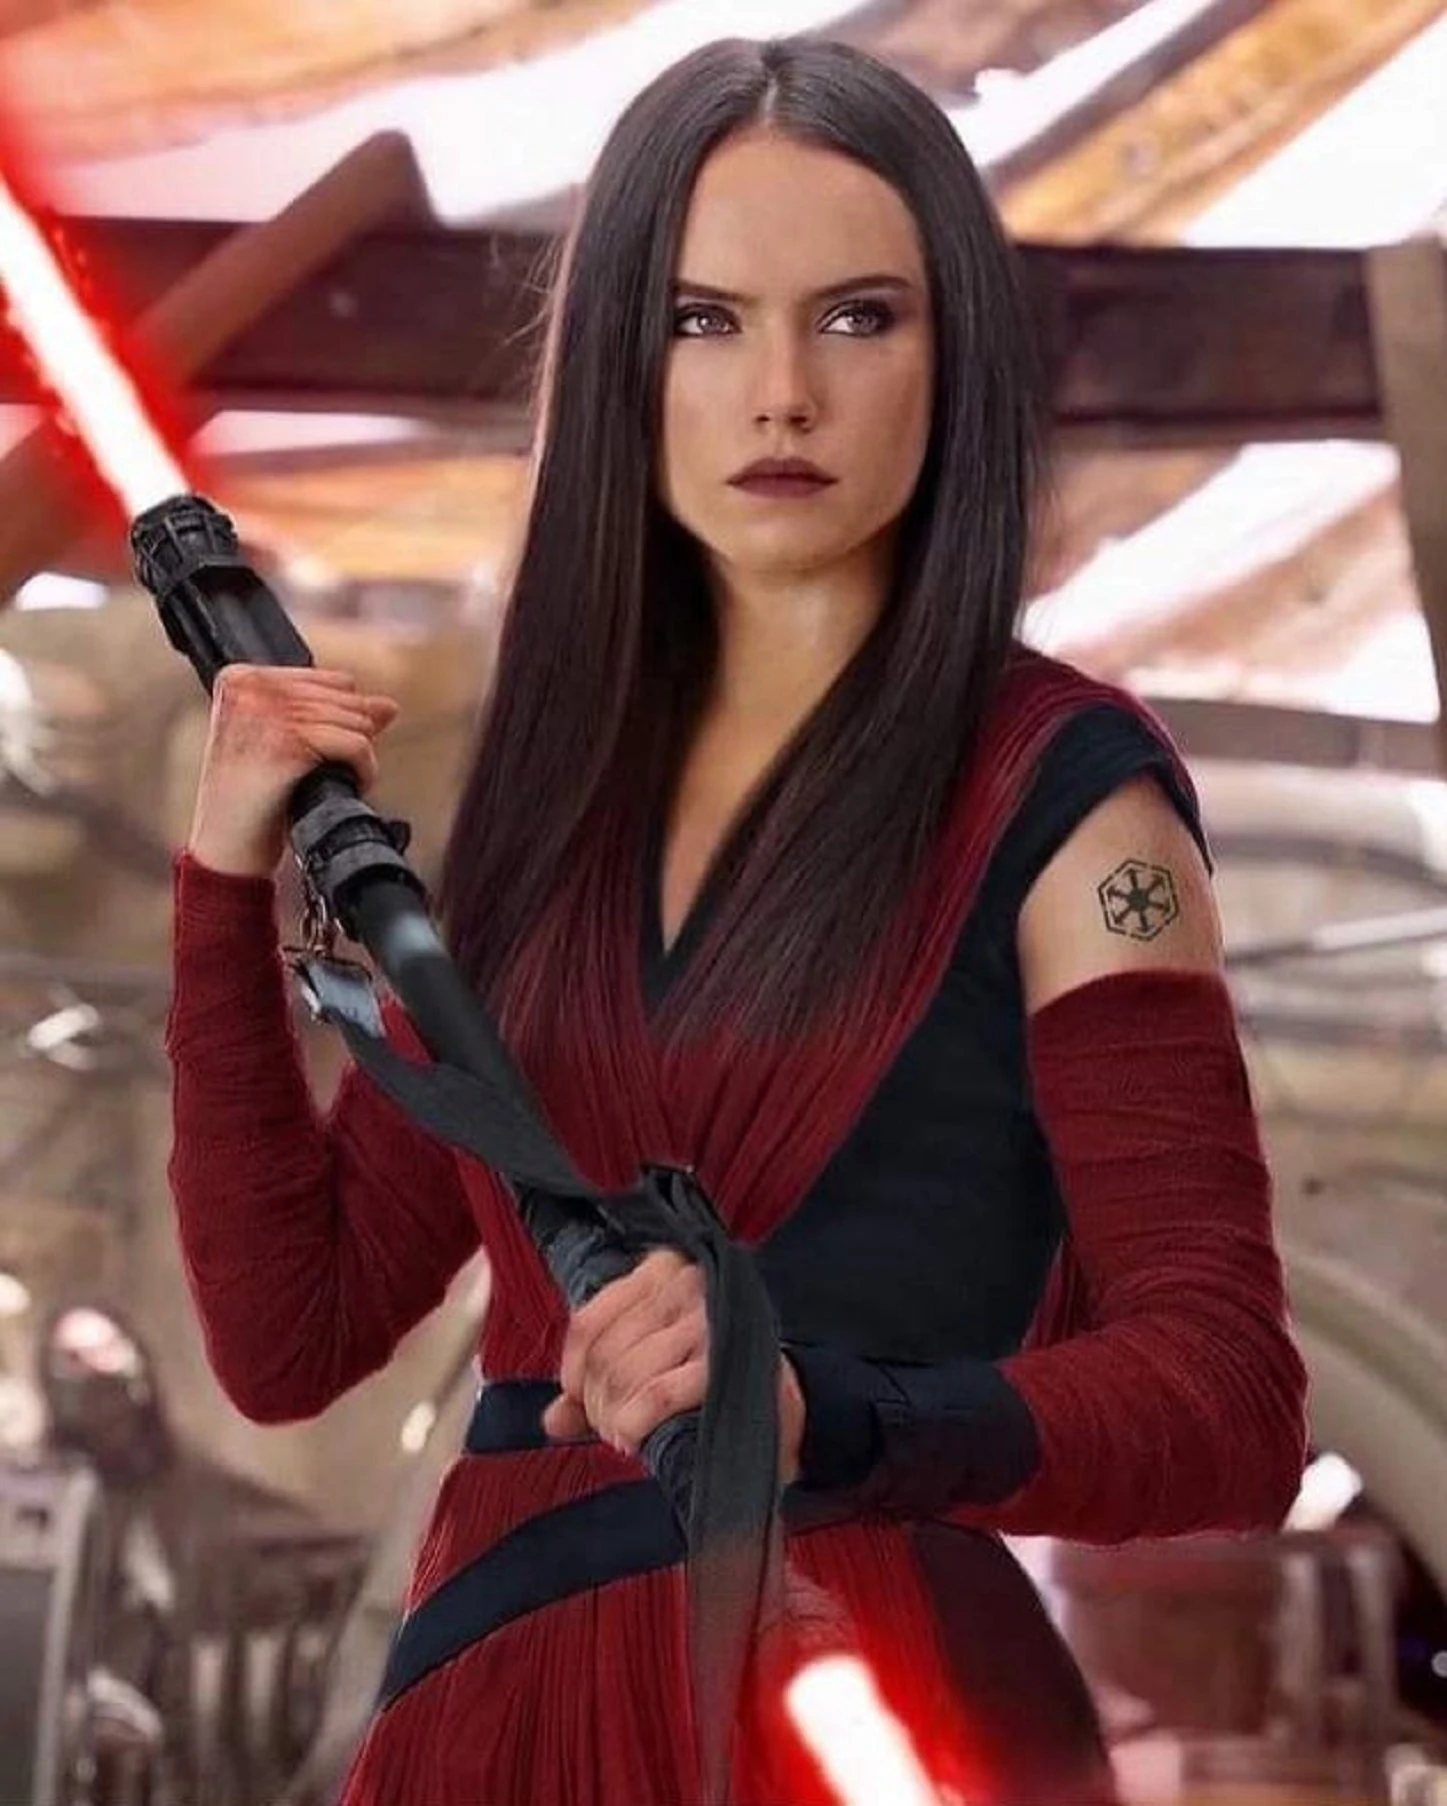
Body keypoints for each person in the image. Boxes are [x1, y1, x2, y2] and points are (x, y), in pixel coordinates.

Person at [166, 34, 1308, 1806]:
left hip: (854, 1705)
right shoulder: (546, 809)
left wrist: (823, 1407)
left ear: (953, 355)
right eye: (702, 320)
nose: (781, 394)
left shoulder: (1072, 804)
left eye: (856, 318)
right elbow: (290, 1334)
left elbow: (1228, 1396)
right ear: (619, 364)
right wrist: (224, 882)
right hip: (483, 1711)